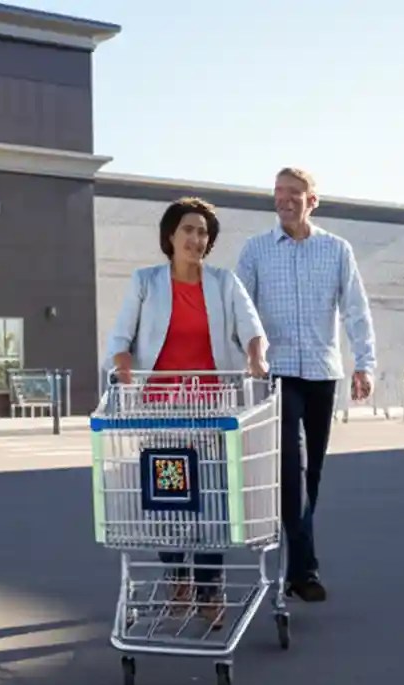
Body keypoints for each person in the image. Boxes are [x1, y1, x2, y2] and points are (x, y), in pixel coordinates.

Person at [103, 196, 269, 627]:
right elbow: (121, 337)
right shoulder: (146, 282)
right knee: (171, 504)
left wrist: (256, 357)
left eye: (203, 232)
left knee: (212, 504)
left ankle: (210, 590)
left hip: (213, 410)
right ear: (170, 237)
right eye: (188, 230)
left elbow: (252, 330)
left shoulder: (224, 282)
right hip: (161, 413)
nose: (196, 239)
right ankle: (179, 578)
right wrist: (124, 370)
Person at [235, 167, 376, 603]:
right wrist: (243, 360)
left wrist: (365, 364)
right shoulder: (256, 251)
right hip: (276, 375)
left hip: (321, 372)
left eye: (294, 193)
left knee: (310, 473)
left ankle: (296, 549)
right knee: (293, 469)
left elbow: (355, 309)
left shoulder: (337, 250)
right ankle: (303, 571)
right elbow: (239, 310)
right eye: (279, 192)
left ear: (311, 200)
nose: (284, 199)